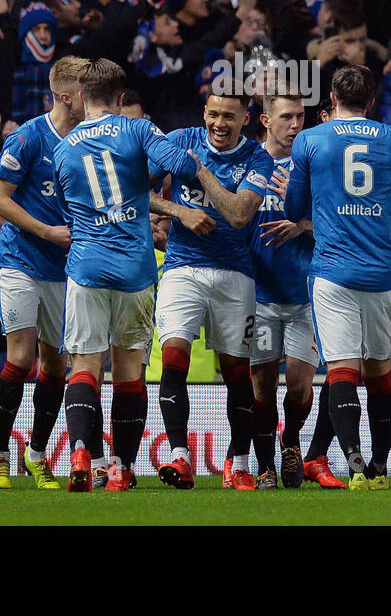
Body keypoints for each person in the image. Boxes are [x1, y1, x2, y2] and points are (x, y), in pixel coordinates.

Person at [51, 58, 202, 493]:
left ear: (81, 97)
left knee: (83, 365)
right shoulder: (137, 130)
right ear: (121, 98)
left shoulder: (64, 147)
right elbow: (183, 166)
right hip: (135, 268)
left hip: (86, 266)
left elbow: (68, 207)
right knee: (128, 371)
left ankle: (81, 451)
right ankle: (119, 468)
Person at [276, 63, 391, 490]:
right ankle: (379, 465)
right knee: (380, 372)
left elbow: (293, 208)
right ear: (372, 102)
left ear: (333, 100)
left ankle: (353, 462)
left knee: (342, 368)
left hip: (333, 270)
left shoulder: (309, 139)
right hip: (381, 272)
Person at [152, 91, 274, 492]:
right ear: (203, 111)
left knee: (238, 373)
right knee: (173, 359)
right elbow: (135, 191)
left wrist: (200, 172)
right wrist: (177, 210)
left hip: (235, 274)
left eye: (229, 117)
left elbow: (239, 214)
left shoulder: (258, 159)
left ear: (246, 120)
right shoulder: (179, 139)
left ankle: (238, 464)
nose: (219, 124)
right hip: (182, 268)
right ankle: (179, 457)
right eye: (213, 114)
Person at [0, 56, 89, 490]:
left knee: (55, 365)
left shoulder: (90, 141)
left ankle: (38, 454)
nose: (94, 99)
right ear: (66, 96)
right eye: (88, 91)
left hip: (65, 269)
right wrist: (46, 230)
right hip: (21, 261)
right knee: (20, 358)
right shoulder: (26, 138)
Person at [247, 92, 335, 488]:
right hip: (259, 295)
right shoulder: (250, 162)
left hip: (305, 295)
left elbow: (339, 224)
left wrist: (299, 221)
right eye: (286, 117)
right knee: (262, 385)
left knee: (299, 387)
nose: (296, 124)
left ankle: (291, 440)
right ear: (266, 120)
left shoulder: (315, 164)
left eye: (301, 116)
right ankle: (264, 462)